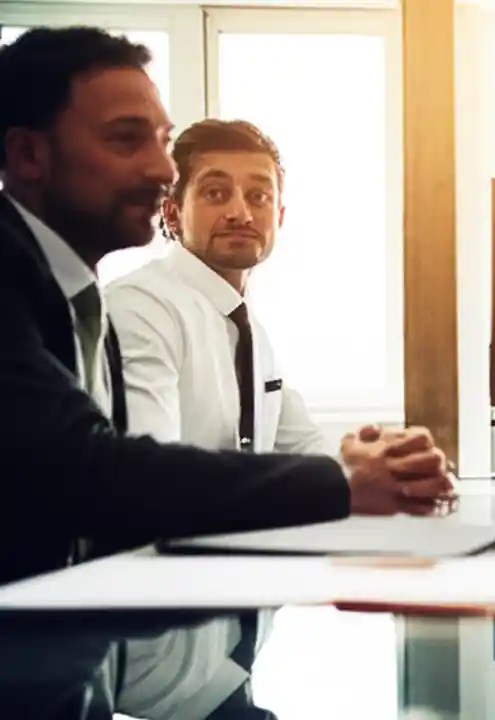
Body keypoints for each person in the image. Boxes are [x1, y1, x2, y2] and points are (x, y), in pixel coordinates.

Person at [0, 27, 453, 586]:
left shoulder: (235, 323)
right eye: (126, 140)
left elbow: (303, 446)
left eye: (161, 144)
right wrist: (344, 482)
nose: (161, 170)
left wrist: (386, 462)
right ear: (27, 154)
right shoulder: (129, 303)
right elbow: (108, 476)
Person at [107, 118, 358, 455]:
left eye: (259, 196)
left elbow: (304, 446)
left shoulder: (248, 328)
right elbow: (151, 468)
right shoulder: (140, 309)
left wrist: (383, 465)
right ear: (172, 213)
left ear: (279, 217)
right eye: (215, 194)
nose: (241, 213)